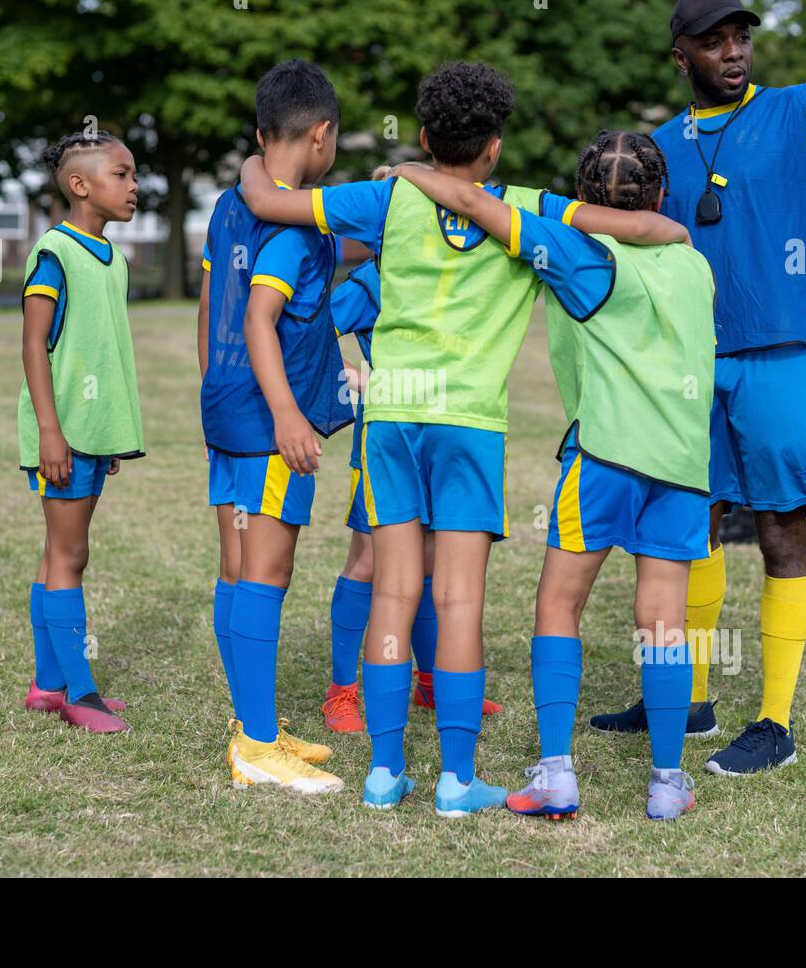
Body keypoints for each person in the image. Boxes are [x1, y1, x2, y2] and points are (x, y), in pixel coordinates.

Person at [240, 61, 689, 816]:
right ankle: (456, 779)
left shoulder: (385, 197)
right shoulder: (523, 207)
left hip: (393, 413)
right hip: (468, 422)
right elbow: (638, 226)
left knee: (393, 588)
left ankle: (385, 773)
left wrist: (258, 157)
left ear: (422, 137)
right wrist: (666, 224)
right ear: (494, 148)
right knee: (458, 599)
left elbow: (266, 199)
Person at [593, 0, 806, 775]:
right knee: (691, 525)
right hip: (691, 367)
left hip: (784, 355)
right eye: (714, 41)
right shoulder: (659, 147)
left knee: (781, 529)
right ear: (682, 56)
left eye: (741, 36)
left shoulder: (802, 110)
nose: (734, 50)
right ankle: (693, 700)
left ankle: (775, 720)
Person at [392, 129, 716, 821]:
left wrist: (407, 170)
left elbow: (477, 206)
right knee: (662, 621)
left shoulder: (581, 253)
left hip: (603, 454)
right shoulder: (695, 263)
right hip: (684, 463)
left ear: (583, 200)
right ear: (660, 196)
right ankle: (666, 782)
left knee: (557, 607)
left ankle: (556, 773)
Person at [200, 59, 352, 794]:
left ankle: (251, 722)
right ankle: (258, 745)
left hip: (228, 408)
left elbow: (213, 306)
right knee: (268, 570)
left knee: (237, 569)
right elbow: (262, 316)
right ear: (320, 135)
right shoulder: (294, 220)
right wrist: (288, 412)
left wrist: (213, 389)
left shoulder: (232, 205)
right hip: (267, 421)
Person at [322, 250, 502, 733]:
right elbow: (310, 331)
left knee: (422, 562)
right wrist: (355, 378)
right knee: (369, 562)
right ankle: (341, 693)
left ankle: (428, 682)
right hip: (385, 440)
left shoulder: (439, 270)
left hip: (440, 433)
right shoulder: (369, 282)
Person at [18, 130, 144, 734]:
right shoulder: (54, 252)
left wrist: (108, 431)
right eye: (121, 175)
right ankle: (82, 695)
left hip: (93, 432)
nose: (134, 186)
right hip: (61, 433)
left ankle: (47, 685)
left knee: (56, 553)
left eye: (135, 175)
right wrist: (52, 431)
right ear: (79, 185)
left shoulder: (114, 258)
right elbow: (34, 344)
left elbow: (103, 350)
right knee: (71, 555)